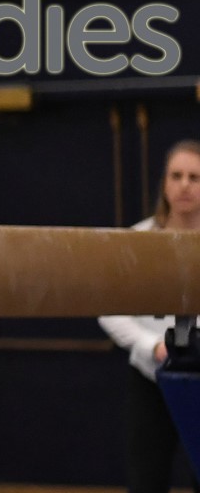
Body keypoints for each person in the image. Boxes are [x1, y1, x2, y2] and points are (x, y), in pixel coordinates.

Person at [100, 140, 200, 493]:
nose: (185, 185)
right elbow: (109, 307)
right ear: (165, 184)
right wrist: (150, 345)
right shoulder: (138, 241)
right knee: (147, 478)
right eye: (177, 175)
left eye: (195, 177)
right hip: (150, 376)